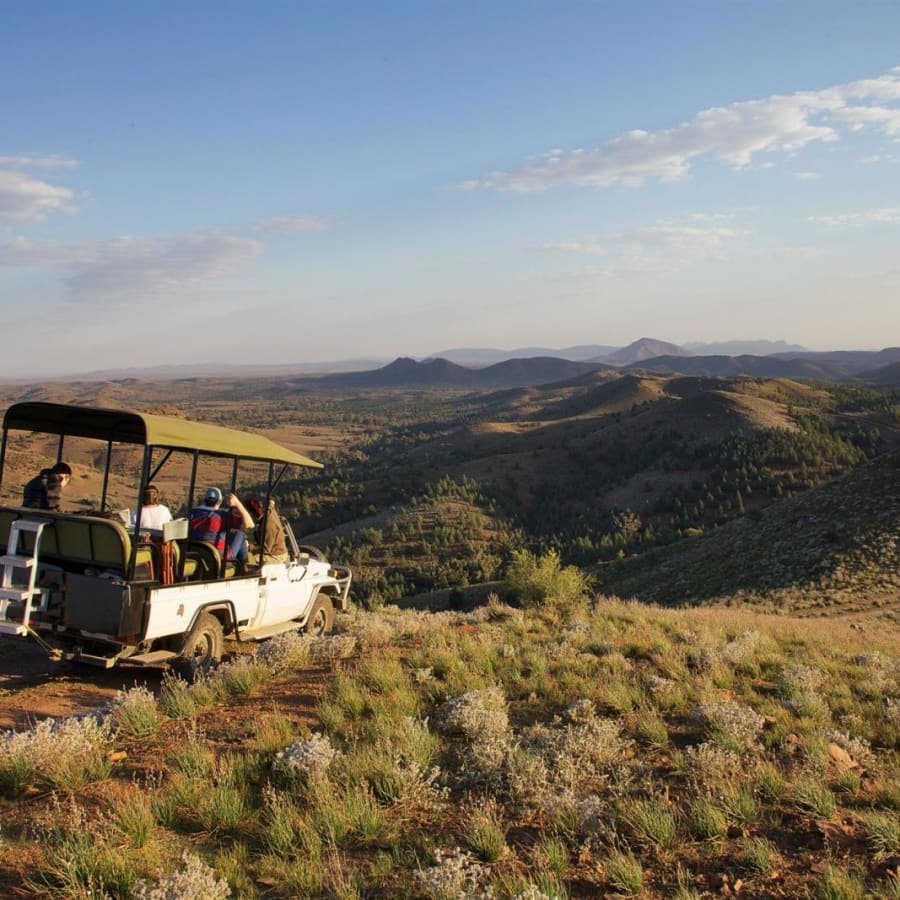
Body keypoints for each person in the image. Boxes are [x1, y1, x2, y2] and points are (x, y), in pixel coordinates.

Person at [188, 487, 255, 571]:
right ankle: (244, 569)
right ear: (219, 502)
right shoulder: (222, 516)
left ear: (204, 500)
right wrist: (237, 504)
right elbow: (250, 524)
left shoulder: (192, 513)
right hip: (220, 559)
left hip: (196, 556)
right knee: (240, 535)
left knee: (231, 535)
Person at [246, 496, 289, 565]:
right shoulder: (269, 512)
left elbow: (265, 549)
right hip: (274, 550)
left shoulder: (268, 525)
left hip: (276, 556)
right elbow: (271, 506)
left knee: (249, 560)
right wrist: (270, 501)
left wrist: (249, 547)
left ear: (252, 513)